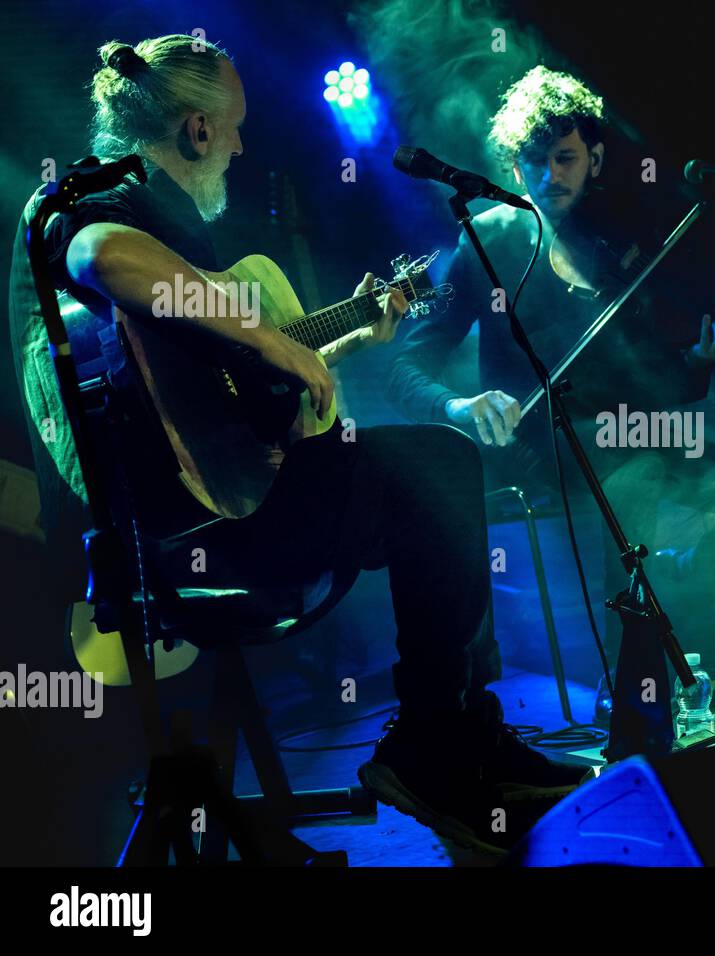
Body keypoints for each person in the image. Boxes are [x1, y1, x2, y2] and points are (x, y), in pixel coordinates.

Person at [7, 35, 583, 857]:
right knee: (434, 463)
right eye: (235, 128)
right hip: (176, 537)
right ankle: (435, 742)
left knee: (432, 465)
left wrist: (330, 342)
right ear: (197, 128)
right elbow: (103, 257)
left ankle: (458, 727)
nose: (243, 147)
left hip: (212, 508)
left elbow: (225, 391)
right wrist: (277, 346)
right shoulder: (96, 204)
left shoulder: (166, 220)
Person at [387, 66, 715, 674]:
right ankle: (636, 692)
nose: (551, 175)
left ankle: (677, 591)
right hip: (539, 440)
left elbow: (650, 384)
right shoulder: (483, 244)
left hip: (631, 433)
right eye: (535, 161)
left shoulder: (617, 245)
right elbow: (408, 362)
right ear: (512, 166)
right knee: (637, 475)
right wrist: (460, 407)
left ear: (595, 159)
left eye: (566, 158)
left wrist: (695, 362)